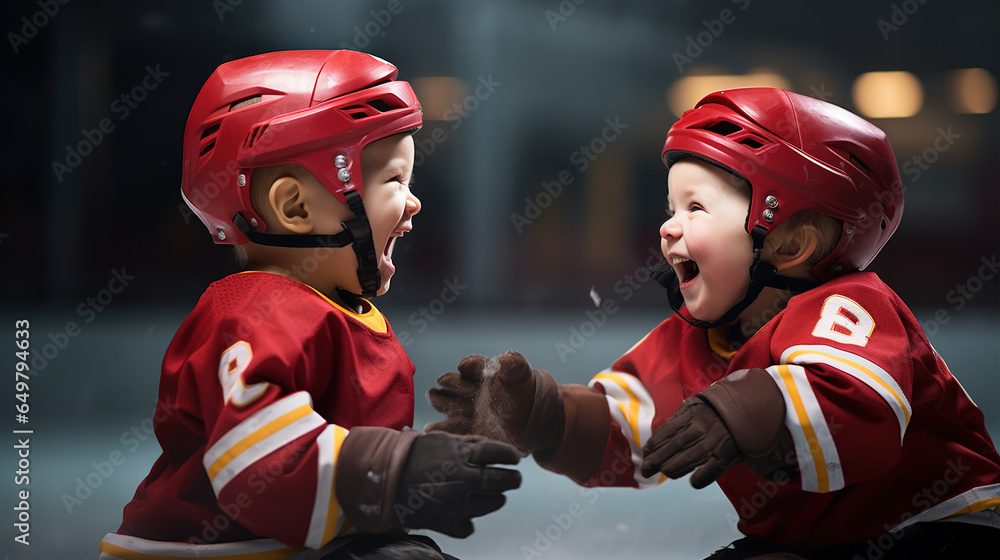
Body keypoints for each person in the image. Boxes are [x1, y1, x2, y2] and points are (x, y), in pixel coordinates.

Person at [428, 87, 1000, 559]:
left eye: (695, 208)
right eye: (671, 208)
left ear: (791, 241)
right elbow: (635, 432)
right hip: (822, 543)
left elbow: (859, 410)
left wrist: (745, 409)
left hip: (948, 524)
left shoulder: (850, 306)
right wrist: (542, 416)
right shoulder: (691, 342)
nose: (668, 228)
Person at [99, 50, 521, 560]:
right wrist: (392, 471)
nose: (414, 203)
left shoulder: (330, 309)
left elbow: (342, 443)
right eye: (393, 181)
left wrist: (444, 449)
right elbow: (258, 464)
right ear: (295, 207)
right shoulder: (254, 312)